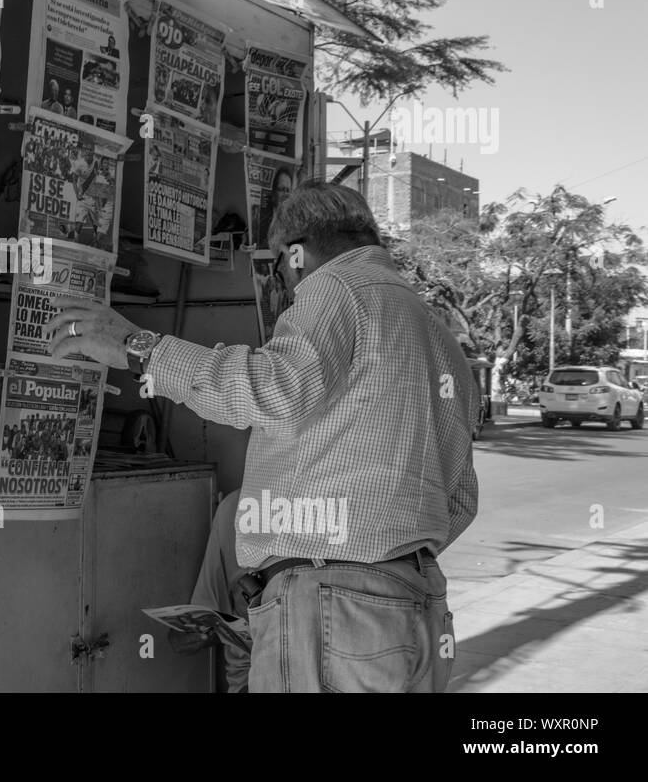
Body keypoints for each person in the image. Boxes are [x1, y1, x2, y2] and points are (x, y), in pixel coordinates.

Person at [46, 181, 477, 693]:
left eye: (277, 265)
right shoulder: (436, 332)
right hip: (417, 604)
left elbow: (270, 389)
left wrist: (136, 347)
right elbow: (459, 501)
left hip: (337, 608)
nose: (285, 283)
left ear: (296, 254)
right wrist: (385, 560)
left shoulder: (337, 289)